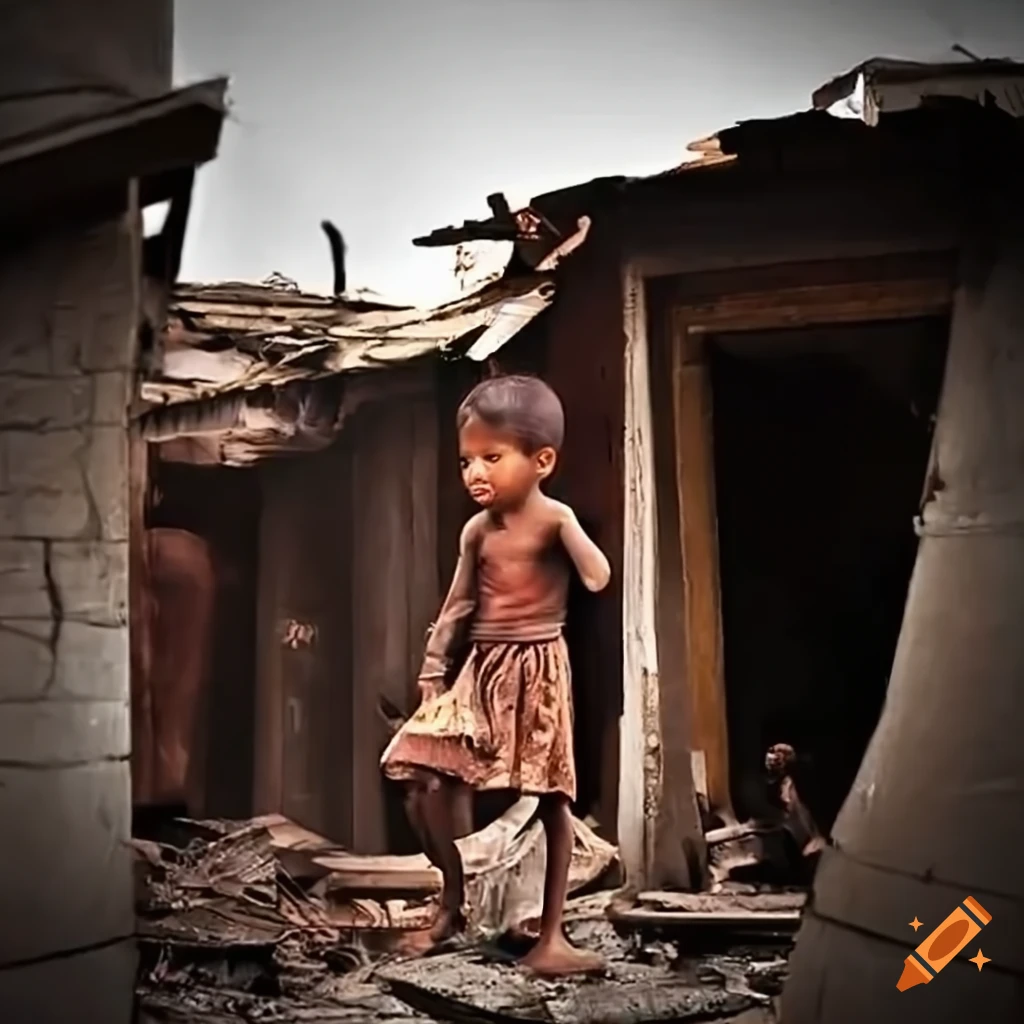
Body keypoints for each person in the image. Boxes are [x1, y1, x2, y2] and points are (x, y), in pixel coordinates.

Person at [380, 374, 611, 975]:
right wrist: (433, 670)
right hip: (481, 670)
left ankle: (552, 936)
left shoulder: (554, 518)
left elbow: (598, 576)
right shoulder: (477, 531)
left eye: (491, 457)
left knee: (553, 797)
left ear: (542, 461)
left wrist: (576, 541)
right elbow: (457, 605)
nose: (474, 473)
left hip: (538, 669)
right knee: (418, 772)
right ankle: (451, 899)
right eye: (465, 460)